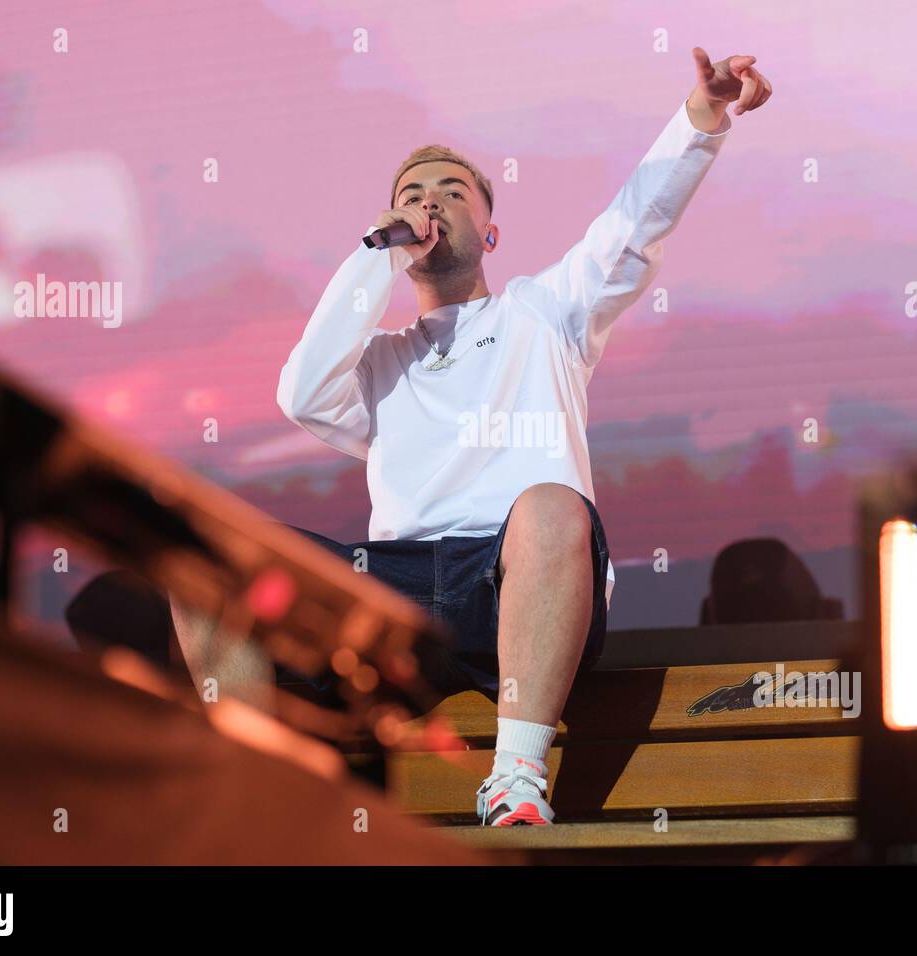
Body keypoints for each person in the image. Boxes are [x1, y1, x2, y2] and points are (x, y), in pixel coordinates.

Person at [216, 47, 770, 826]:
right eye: (411, 196)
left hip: (516, 582)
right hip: (397, 599)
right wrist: (378, 253)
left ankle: (514, 779)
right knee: (216, 558)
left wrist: (702, 120)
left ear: (492, 230)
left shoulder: (542, 314)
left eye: (451, 192)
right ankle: (248, 799)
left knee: (550, 503)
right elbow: (301, 392)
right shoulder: (378, 362)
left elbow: (633, 226)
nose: (429, 205)